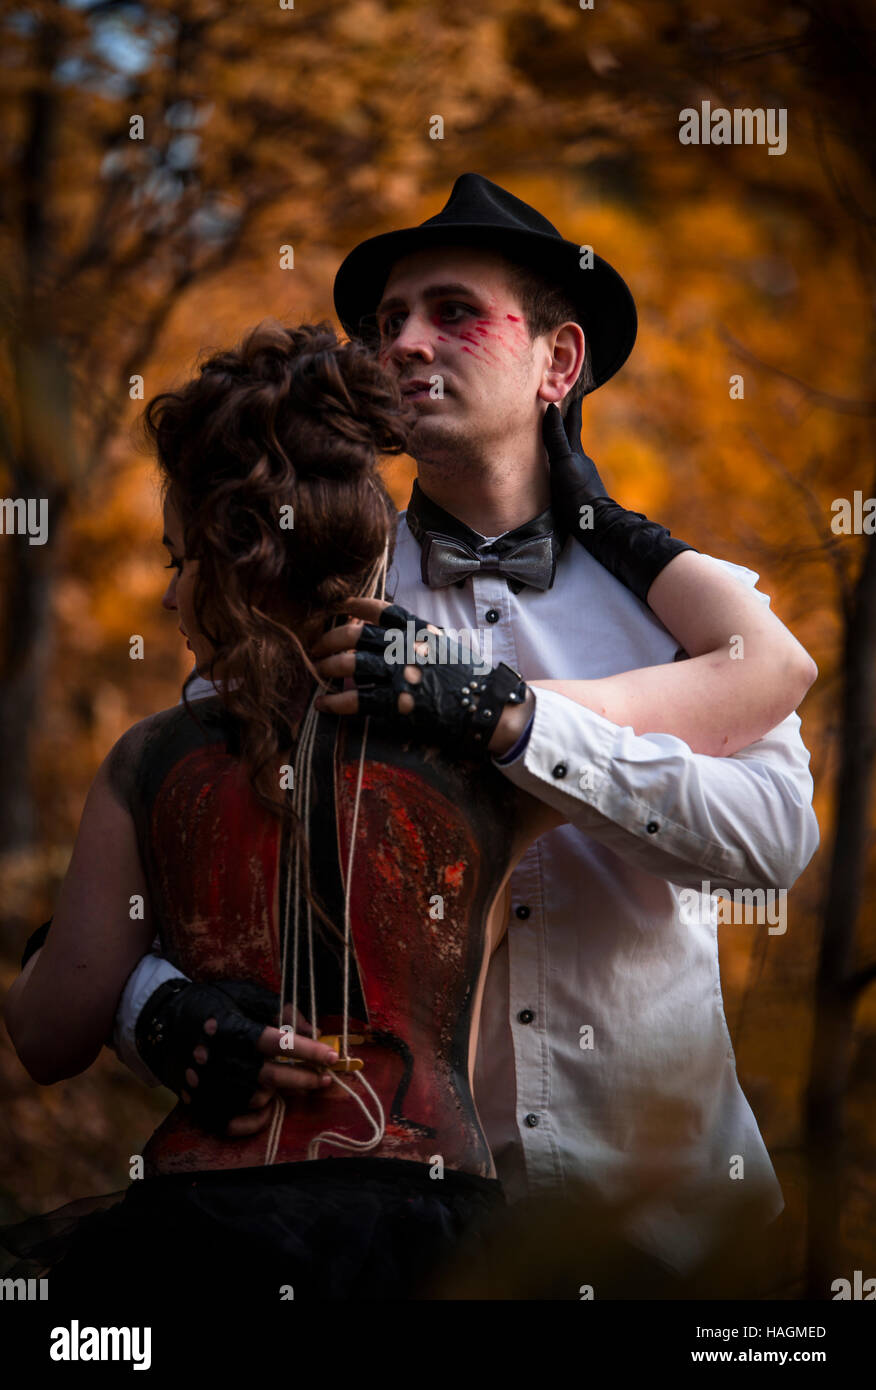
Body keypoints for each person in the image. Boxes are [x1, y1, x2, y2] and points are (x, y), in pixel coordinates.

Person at [4, 176, 817, 1298]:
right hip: (403, 1226)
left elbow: (777, 838)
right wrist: (157, 1009)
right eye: (386, 322)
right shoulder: (317, 588)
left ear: (557, 362)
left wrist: (515, 720)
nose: (404, 343)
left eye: (451, 311)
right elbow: (179, 824)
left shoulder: (678, 605)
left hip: (670, 1217)